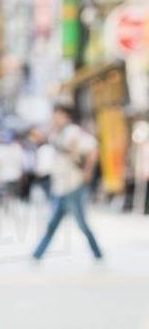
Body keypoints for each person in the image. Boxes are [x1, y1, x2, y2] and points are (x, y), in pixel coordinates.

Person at [32, 101, 103, 262]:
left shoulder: (73, 131)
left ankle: (97, 252)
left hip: (73, 184)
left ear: (64, 116)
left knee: (81, 223)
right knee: (53, 223)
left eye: (56, 115)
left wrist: (87, 172)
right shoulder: (57, 133)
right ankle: (37, 254)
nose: (54, 119)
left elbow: (93, 149)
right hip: (60, 185)